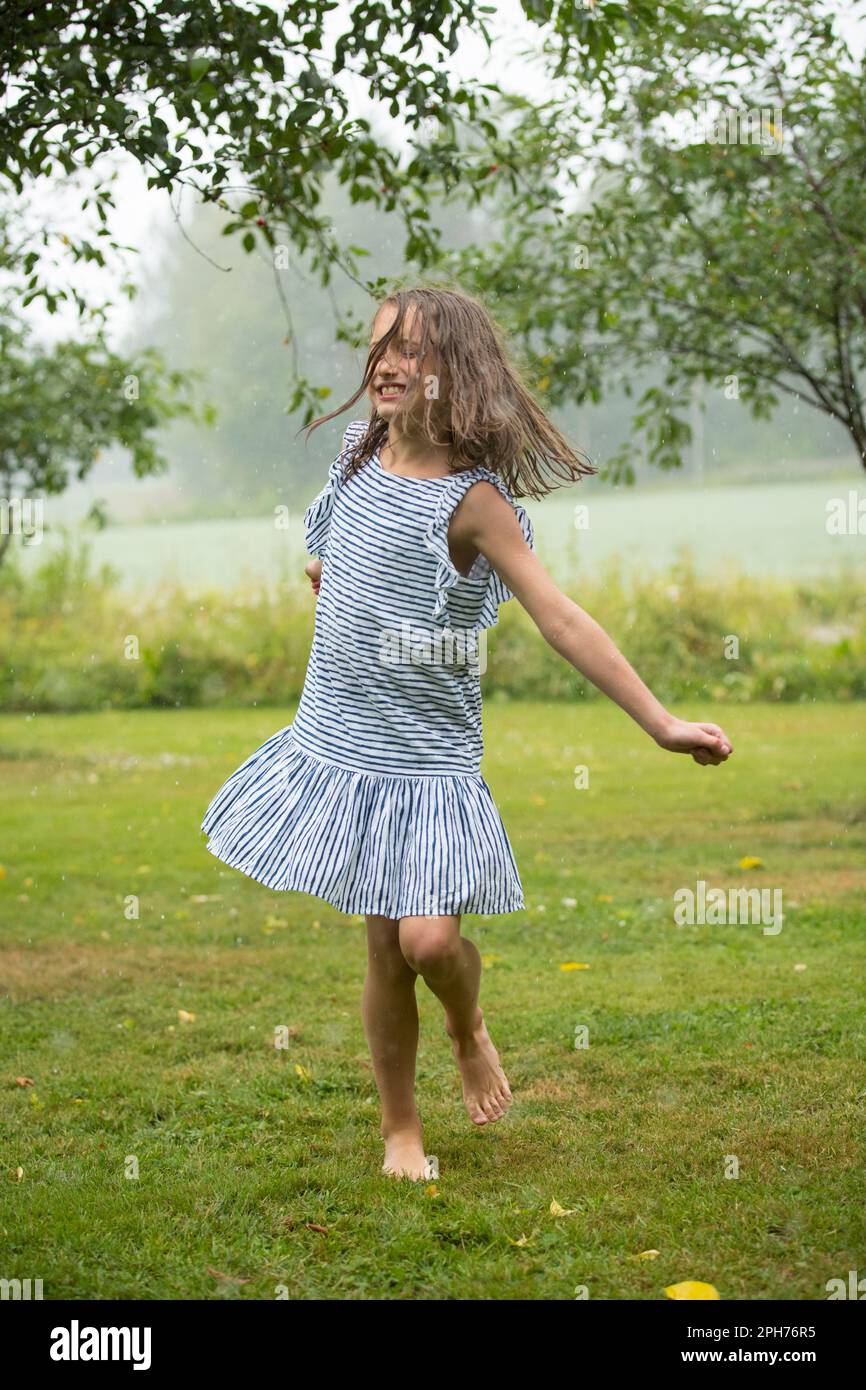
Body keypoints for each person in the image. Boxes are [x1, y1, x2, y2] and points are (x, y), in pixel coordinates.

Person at [201, 284, 732, 1182]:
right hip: (345, 747)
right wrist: (331, 578)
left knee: (431, 944)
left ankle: (466, 1022)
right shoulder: (355, 451)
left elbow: (560, 618)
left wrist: (662, 723)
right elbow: (329, 551)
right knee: (382, 944)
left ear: (460, 374)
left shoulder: (473, 500)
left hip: (431, 763)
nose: (390, 364)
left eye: (414, 351)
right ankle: (400, 1131)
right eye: (380, 347)